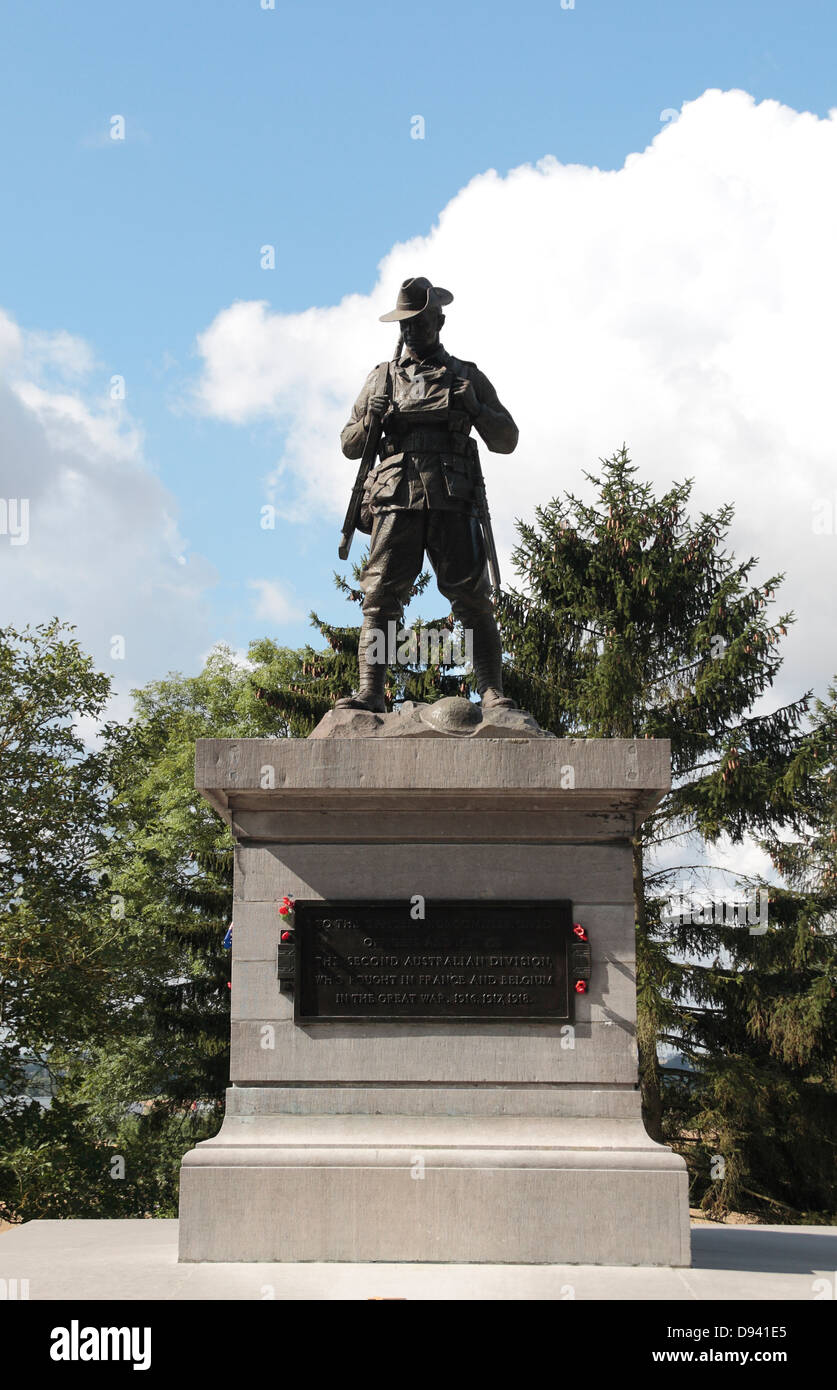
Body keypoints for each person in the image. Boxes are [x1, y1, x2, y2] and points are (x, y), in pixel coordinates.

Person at [337, 276, 519, 712]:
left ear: (439, 320)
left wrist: (474, 406)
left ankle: (490, 690)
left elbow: (507, 438)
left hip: (451, 495)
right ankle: (372, 693)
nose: (411, 331)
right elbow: (348, 444)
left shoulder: (465, 376)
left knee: (472, 596)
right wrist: (369, 423)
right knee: (380, 596)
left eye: (419, 322)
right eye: (405, 324)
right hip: (396, 495)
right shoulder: (381, 379)